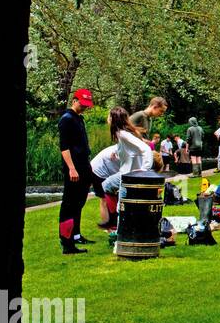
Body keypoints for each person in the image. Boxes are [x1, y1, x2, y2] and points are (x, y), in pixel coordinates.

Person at [101, 107, 153, 230]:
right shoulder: (122, 134)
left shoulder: (123, 134)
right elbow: (130, 150)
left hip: (130, 176)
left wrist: (144, 170)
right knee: (107, 188)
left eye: (109, 116)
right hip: (127, 174)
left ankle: (122, 234)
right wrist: (116, 151)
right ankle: (118, 228)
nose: (107, 118)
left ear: (113, 119)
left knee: (123, 205)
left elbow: (145, 149)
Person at [57, 89, 95, 255]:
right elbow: (64, 147)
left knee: (79, 203)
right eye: (82, 104)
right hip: (74, 167)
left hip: (83, 165)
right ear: (74, 100)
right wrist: (71, 168)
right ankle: (67, 242)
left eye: (87, 105)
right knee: (69, 205)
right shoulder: (66, 119)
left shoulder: (79, 119)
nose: (84, 107)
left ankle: (76, 235)